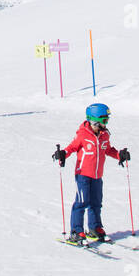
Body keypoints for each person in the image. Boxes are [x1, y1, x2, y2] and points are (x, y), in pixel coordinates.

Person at [53, 103, 129, 243]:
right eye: (104, 120)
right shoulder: (82, 134)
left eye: (107, 120)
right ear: (94, 120)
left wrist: (119, 155)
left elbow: (108, 149)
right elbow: (72, 148)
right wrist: (63, 154)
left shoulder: (104, 135)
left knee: (96, 202)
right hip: (83, 175)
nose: (106, 124)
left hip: (97, 175)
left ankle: (94, 228)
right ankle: (76, 231)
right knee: (82, 202)